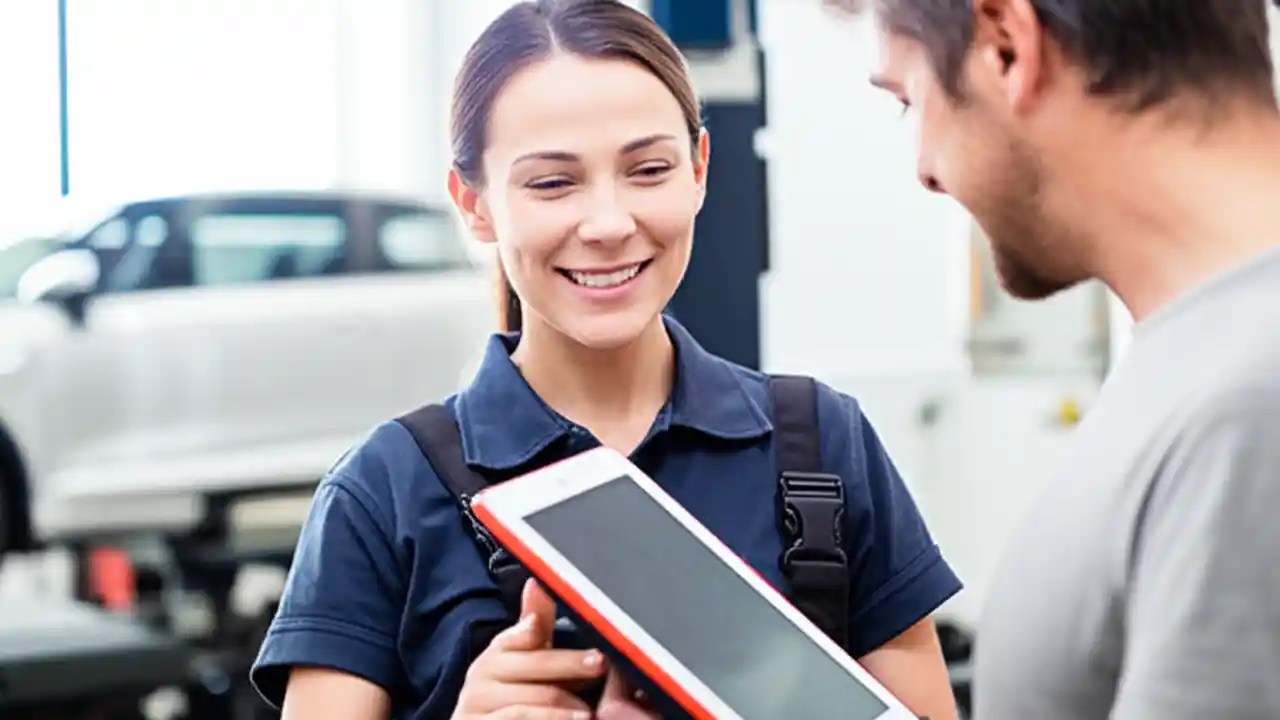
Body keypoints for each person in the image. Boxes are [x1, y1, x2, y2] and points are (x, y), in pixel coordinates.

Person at [250, 1, 963, 718]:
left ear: (699, 170)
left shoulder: (821, 448)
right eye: (553, 183)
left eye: (648, 169)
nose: (609, 224)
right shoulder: (382, 496)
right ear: (474, 204)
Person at [827, 0, 1280, 717]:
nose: (924, 170)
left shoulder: (1249, 409)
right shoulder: (1203, 361)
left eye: (910, 99)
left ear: (1006, 44)